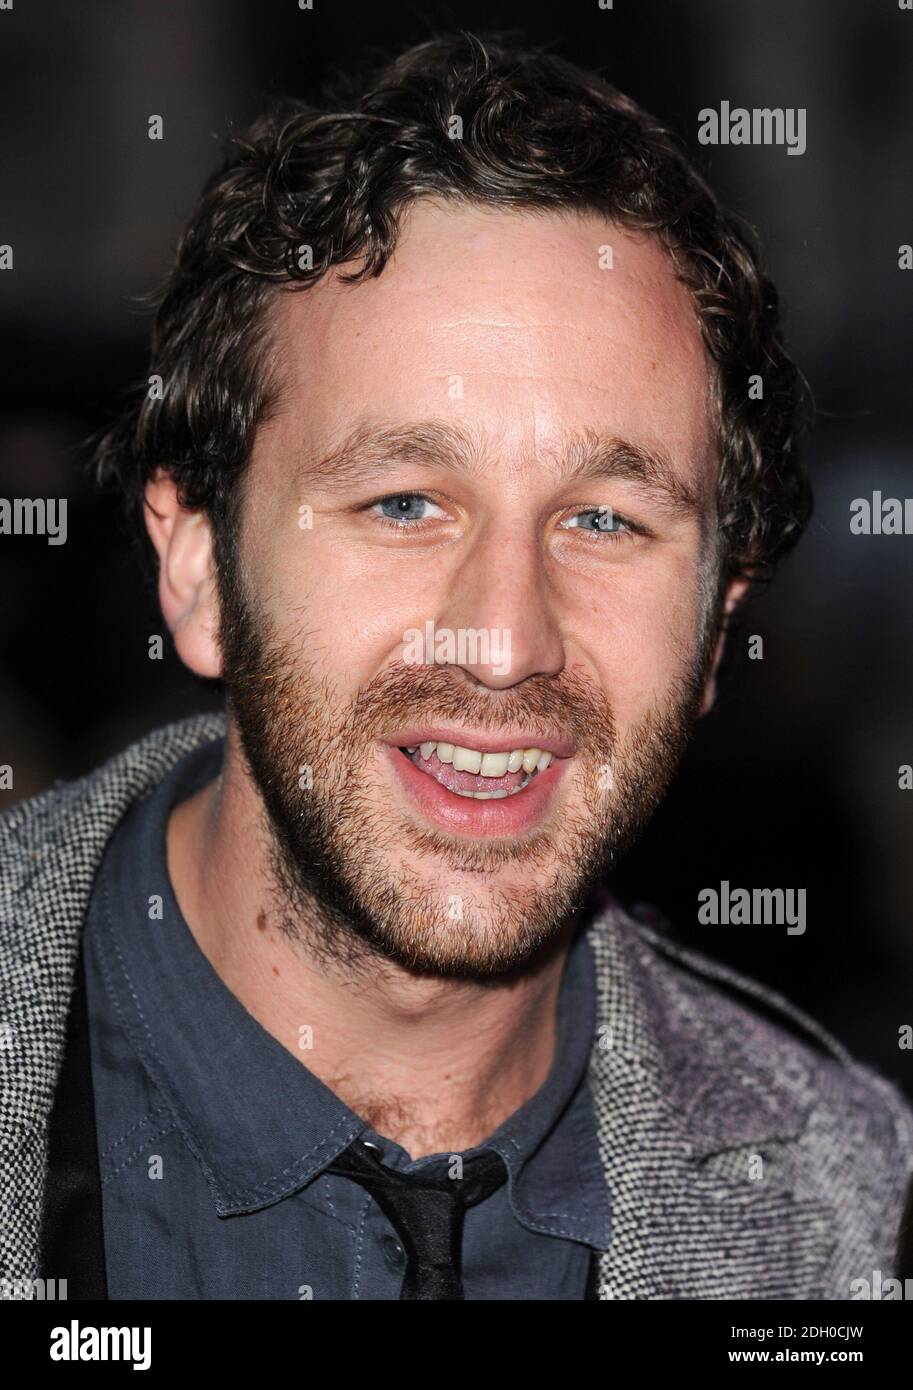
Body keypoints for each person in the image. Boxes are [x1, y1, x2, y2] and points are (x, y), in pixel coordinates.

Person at [2, 30, 910, 1301]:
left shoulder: (843, 1199)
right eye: (404, 501)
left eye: (605, 520)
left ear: (716, 625)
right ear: (199, 565)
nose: (504, 641)